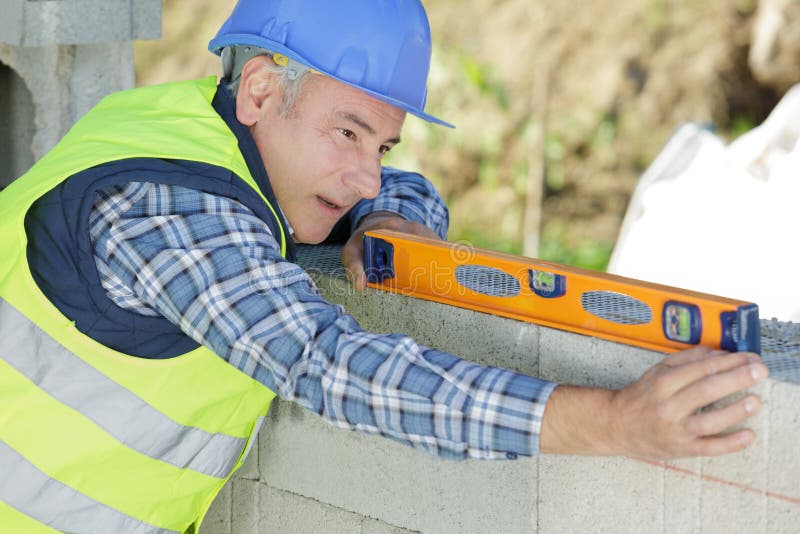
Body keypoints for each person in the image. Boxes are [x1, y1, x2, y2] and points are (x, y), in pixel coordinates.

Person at [0, 0, 767, 532]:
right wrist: (611, 422)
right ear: (261, 89)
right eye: (348, 134)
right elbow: (331, 367)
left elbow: (403, 189)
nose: (366, 175)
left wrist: (385, 221)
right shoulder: (172, 211)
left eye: (382, 144)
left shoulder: (198, 122)